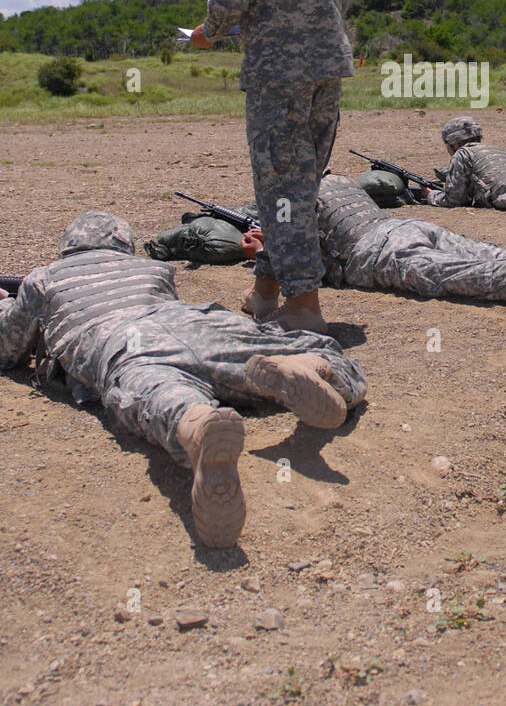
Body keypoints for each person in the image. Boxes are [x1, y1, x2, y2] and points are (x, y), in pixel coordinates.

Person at [0, 213, 367, 548]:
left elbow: (8, 349)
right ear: (123, 245)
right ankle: (310, 365)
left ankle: (194, 422)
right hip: (196, 321)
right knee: (286, 345)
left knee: (158, 388)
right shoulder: (153, 270)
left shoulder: (43, 280)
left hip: (125, 342)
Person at [190, 0, 355, 334]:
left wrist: (208, 32)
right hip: (328, 66)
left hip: (278, 72)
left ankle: (303, 305)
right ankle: (265, 294)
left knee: (282, 185)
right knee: (299, 183)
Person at [242, 176, 506, 320]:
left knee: (457, 276)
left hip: (375, 254)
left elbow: (289, 262)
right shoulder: (336, 180)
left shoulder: (285, 192)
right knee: (489, 253)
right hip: (405, 226)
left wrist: (259, 259)